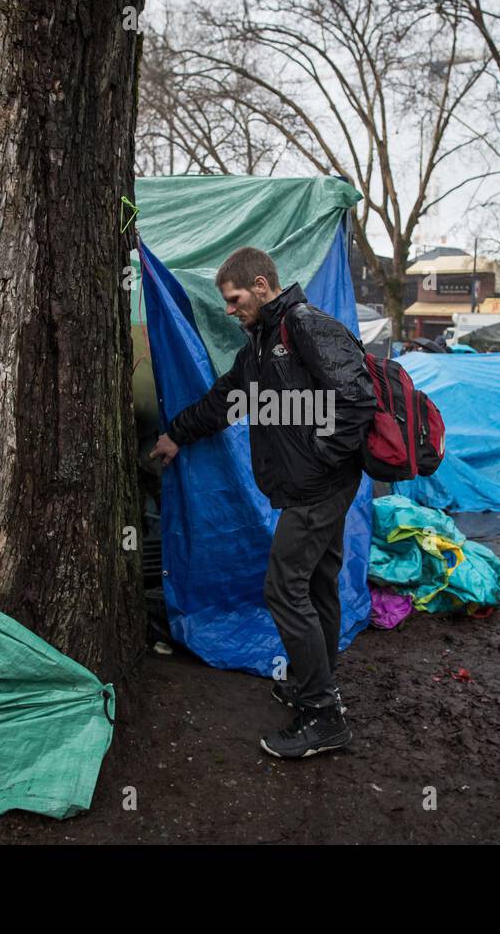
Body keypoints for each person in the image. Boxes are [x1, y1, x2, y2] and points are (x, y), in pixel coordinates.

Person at [149, 246, 375, 759]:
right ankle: (315, 684)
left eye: (233, 299)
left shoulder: (305, 325)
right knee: (317, 584)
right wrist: (177, 434)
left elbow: (357, 398)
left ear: (259, 284)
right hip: (308, 488)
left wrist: (320, 456)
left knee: (282, 588)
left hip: (321, 487)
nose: (228, 310)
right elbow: (227, 399)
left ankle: (322, 714)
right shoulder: (260, 344)